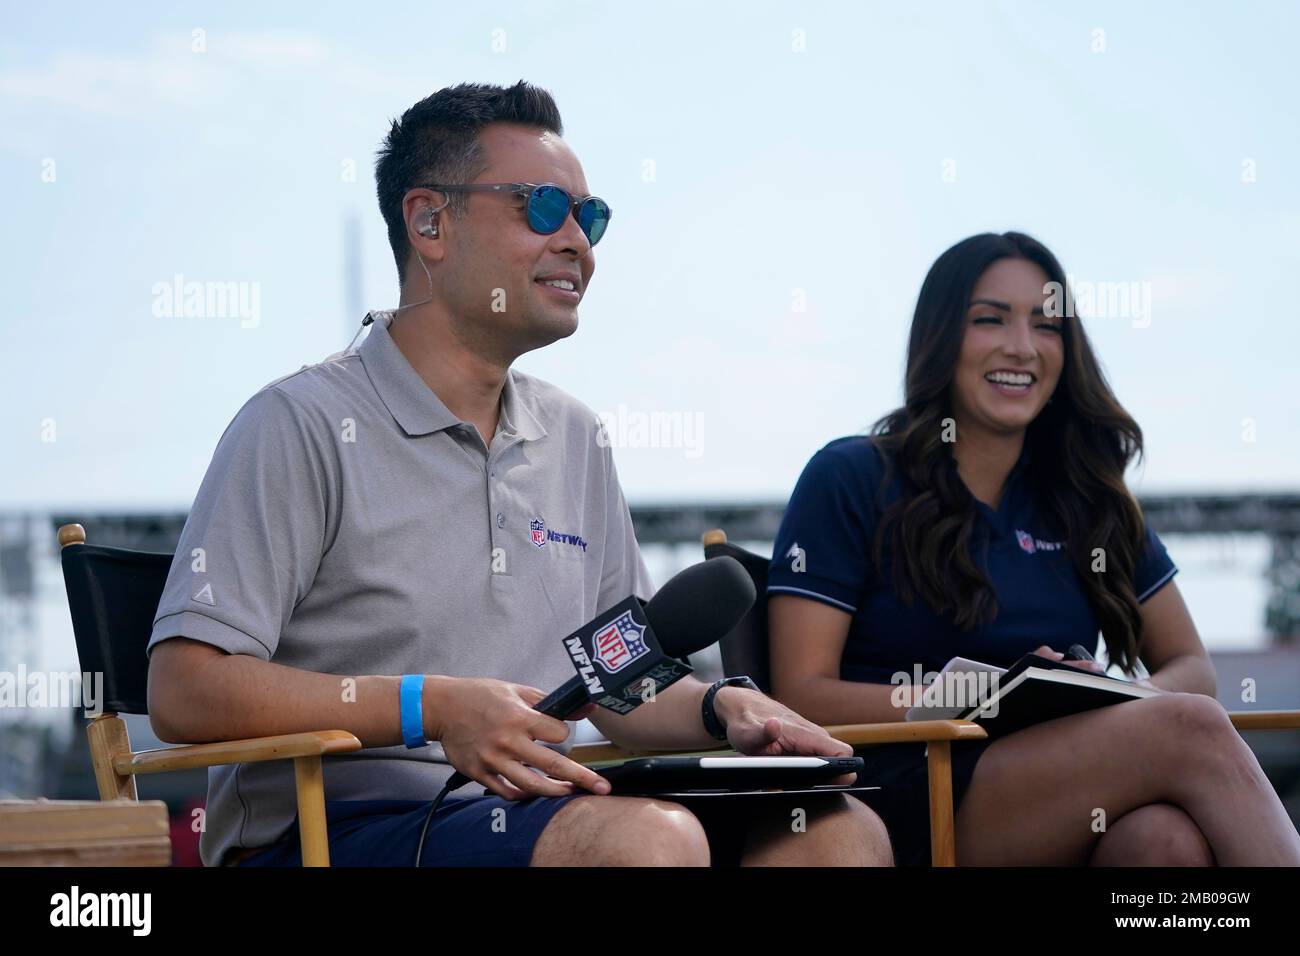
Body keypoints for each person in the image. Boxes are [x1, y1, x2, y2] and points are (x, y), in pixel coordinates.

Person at [145, 81, 890, 867]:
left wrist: (722, 707)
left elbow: (618, 687)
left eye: (589, 215)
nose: (577, 241)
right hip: (333, 835)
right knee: (645, 842)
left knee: (838, 834)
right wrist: (429, 707)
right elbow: (184, 688)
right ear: (429, 222)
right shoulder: (299, 424)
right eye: (541, 208)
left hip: (538, 811)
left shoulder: (576, 437)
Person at [766, 231, 1300, 866]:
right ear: (941, 337)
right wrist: (982, 696)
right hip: (896, 792)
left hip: (1052, 787)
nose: (1021, 346)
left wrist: (1094, 698)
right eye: (990, 319)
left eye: (1047, 325)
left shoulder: (1085, 496)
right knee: (1190, 729)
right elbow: (799, 692)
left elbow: (1193, 669)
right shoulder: (852, 475)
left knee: (1164, 843)